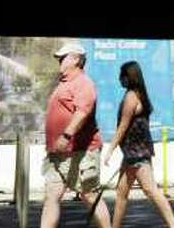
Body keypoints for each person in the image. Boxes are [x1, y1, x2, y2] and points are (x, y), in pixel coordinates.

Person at [41, 41, 112, 228]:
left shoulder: (84, 83)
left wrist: (65, 136)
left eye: (63, 57)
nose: (59, 61)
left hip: (81, 152)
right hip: (59, 154)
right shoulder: (65, 83)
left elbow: (82, 112)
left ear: (76, 59)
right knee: (51, 196)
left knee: (89, 194)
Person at [104, 60, 174, 228]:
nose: (119, 79)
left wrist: (109, 150)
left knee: (150, 190)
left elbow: (122, 127)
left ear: (129, 77)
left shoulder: (132, 96)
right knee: (121, 192)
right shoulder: (139, 94)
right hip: (132, 153)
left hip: (136, 153)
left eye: (122, 76)